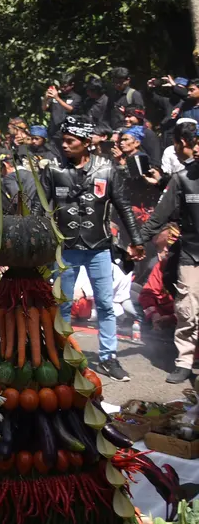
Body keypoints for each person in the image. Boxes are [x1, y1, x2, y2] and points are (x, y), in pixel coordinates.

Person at [44, 116, 145, 381]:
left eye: (71, 141)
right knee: (62, 304)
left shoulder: (107, 169)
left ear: (87, 143)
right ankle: (60, 355)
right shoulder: (53, 169)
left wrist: (136, 240)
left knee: (105, 304)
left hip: (99, 246)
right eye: (62, 140)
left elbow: (123, 207)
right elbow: (39, 209)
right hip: (65, 247)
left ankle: (108, 357)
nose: (64, 145)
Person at [140, 122, 199, 383]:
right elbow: (159, 216)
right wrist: (136, 241)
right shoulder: (182, 179)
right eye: (195, 143)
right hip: (192, 253)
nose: (196, 149)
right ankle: (184, 361)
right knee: (187, 308)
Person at [45, 73, 81, 138]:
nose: (62, 88)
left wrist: (57, 98)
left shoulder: (76, 97)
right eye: (61, 86)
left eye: (65, 87)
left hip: (68, 133)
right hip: (53, 133)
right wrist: (45, 98)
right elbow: (44, 108)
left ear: (72, 85)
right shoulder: (56, 95)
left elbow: (71, 109)